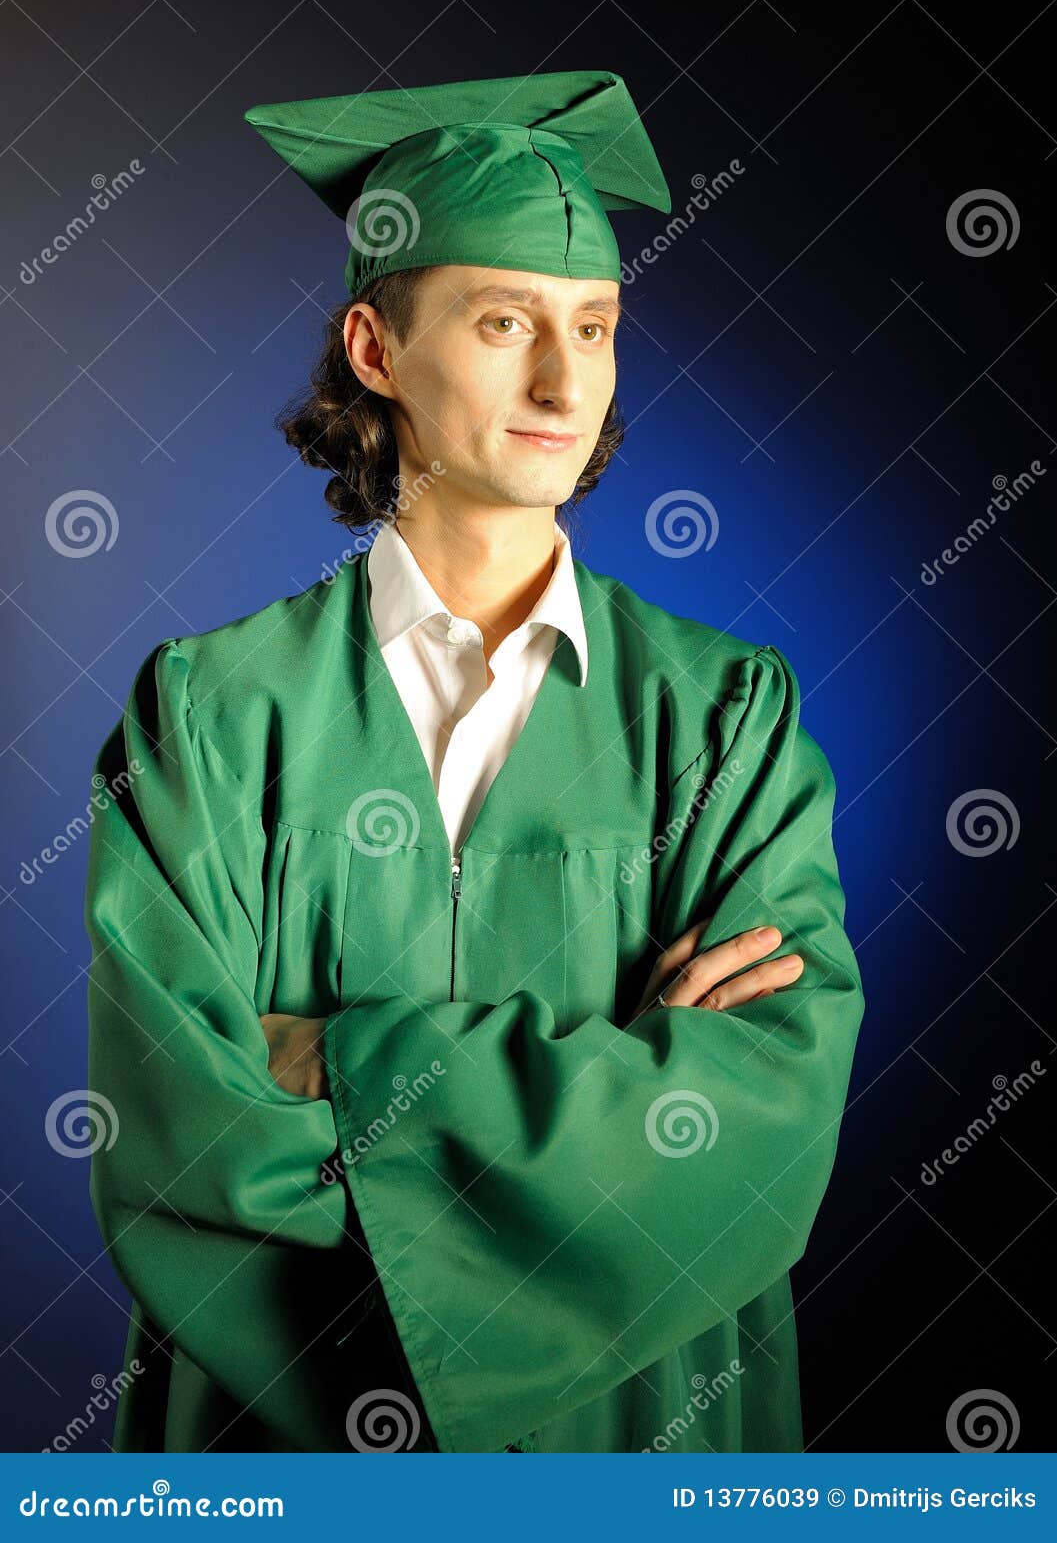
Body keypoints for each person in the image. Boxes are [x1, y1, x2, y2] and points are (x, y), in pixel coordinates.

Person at [83, 70, 865, 1454]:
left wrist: (343, 1059)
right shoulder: (212, 711)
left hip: (641, 1433)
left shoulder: (724, 714)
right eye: (504, 323)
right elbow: (181, 1131)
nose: (564, 380)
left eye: (595, 327)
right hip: (288, 1439)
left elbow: (749, 1130)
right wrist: (612, 1075)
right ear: (375, 351)